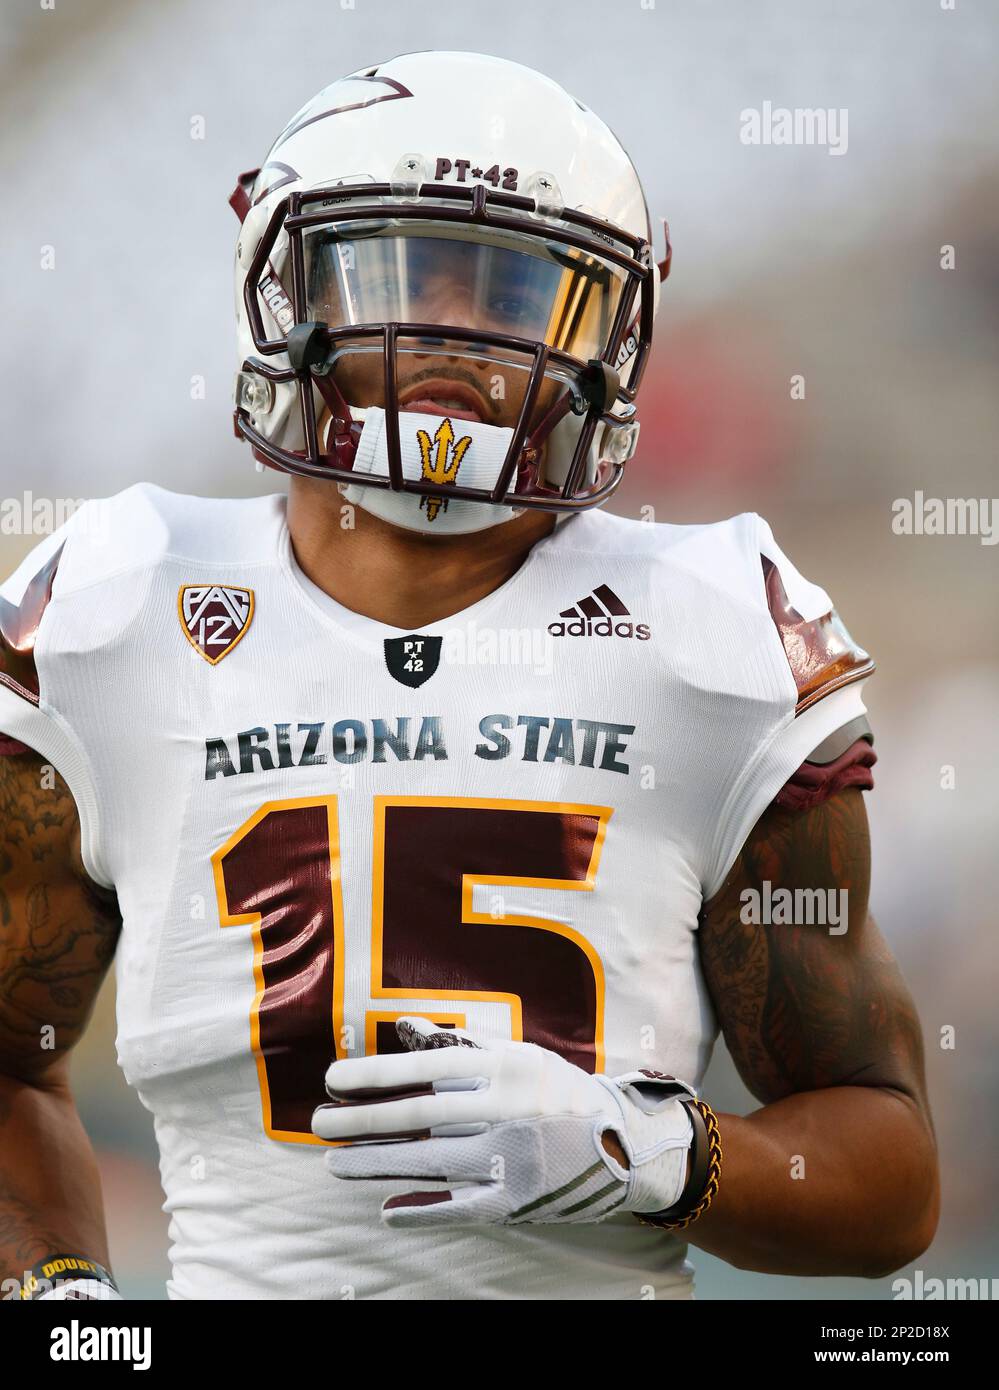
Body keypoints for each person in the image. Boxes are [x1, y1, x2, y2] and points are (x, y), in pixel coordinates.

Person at [0, 51, 937, 1301]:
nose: (455, 335)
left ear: (610, 333)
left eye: (516, 293)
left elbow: (889, 1167)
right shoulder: (123, 603)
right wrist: (59, 1307)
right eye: (402, 271)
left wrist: (655, 1154)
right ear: (285, 292)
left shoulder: (712, 635)